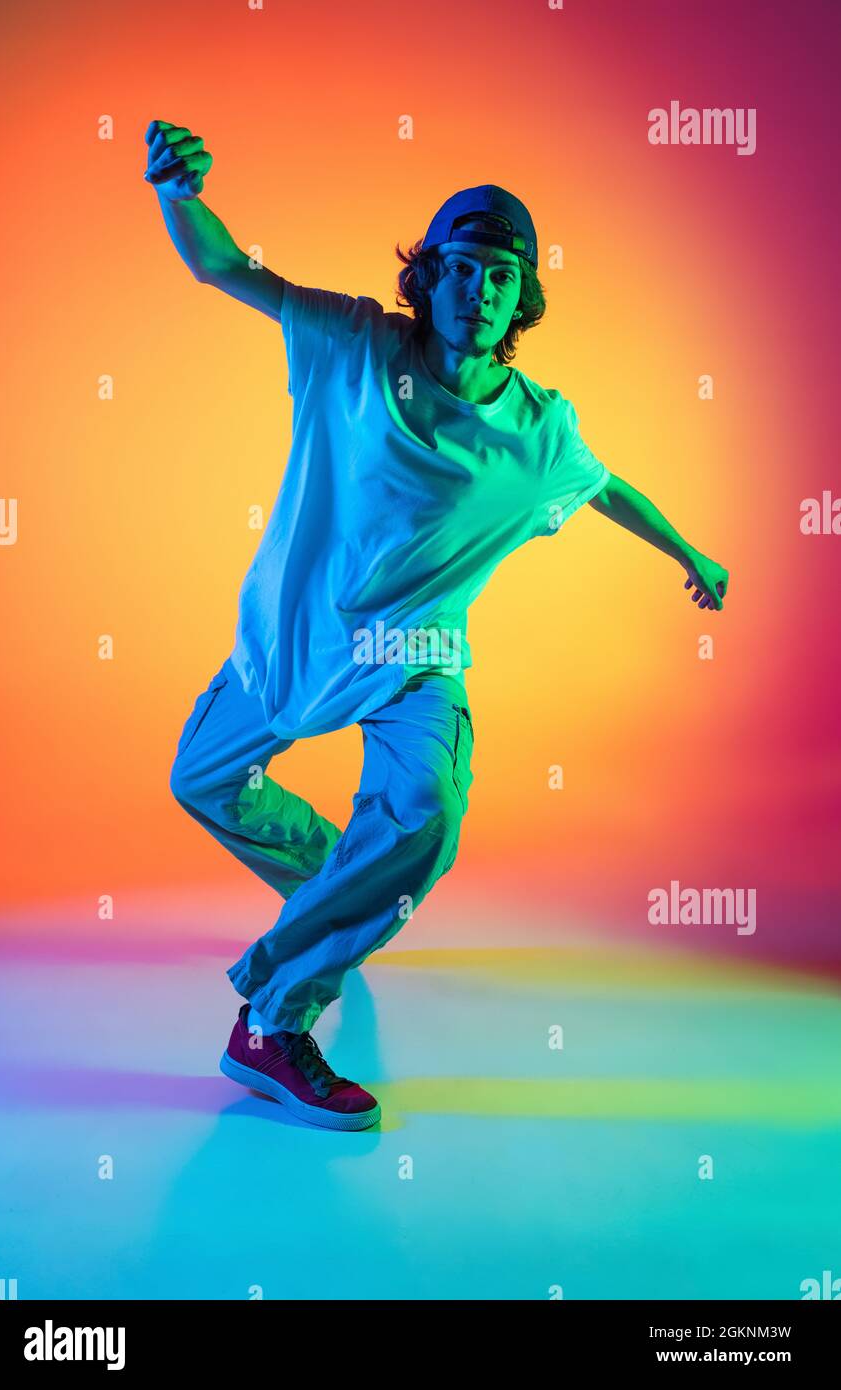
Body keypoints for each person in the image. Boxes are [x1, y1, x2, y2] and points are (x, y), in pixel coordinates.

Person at [145, 119, 730, 1132]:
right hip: (295, 639)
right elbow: (226, 268)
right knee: (202, 779)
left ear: (523, 297)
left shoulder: (540, 430)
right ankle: (333, 888)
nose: (480, 289)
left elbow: (604, 488)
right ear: (429, 278)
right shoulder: (353, 347)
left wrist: (691, 554)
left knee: (427, 812)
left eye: (502, 273)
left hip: (416, 657)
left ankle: (276, 1017)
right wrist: (176, 191)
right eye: (460, 267)